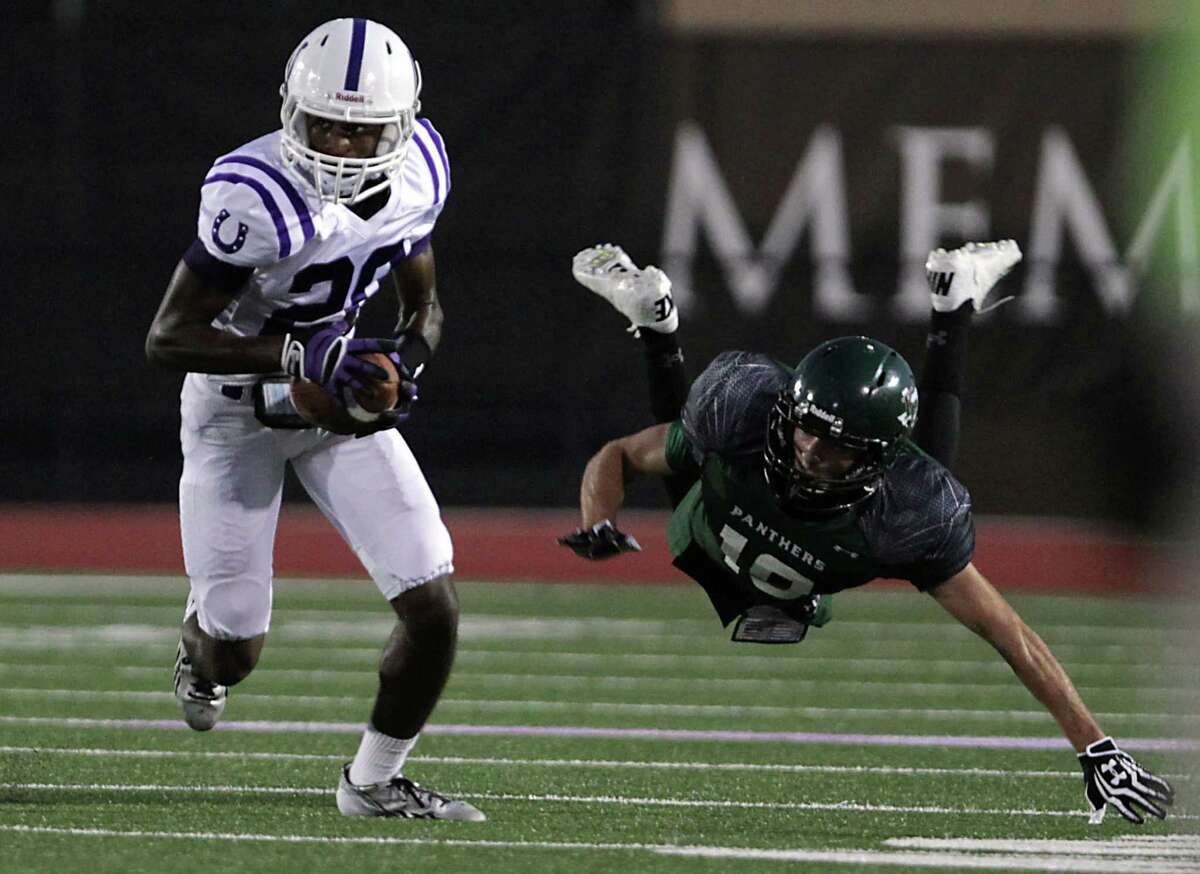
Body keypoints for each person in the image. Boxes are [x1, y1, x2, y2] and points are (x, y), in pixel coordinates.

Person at [560, 241, 1175, 825]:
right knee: (696, 462)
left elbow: (1007, 632)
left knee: (923, 488)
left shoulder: (907, 509)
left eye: (837, 450)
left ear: (878, 460)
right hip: (722, 533)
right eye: (807, 431)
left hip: (784, 545)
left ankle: (664, 322)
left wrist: (1095, 746)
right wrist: (597, 520)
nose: (809, 455)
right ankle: (658, 327)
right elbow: (619, 455)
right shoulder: (742, 410)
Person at [145, 17, 483, 821]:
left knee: (432, 605)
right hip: (235, 409)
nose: (339, 142)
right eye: (326, 121)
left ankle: (371, 783)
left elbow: (424, 308)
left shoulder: (418, 174)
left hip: (334, 407)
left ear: (398, 130)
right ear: (292, 110)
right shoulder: (251, 194)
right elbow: (169, 338)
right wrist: (300, 355)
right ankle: (200, 655)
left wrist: (403, 364)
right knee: (235, 648)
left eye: (362, 130)